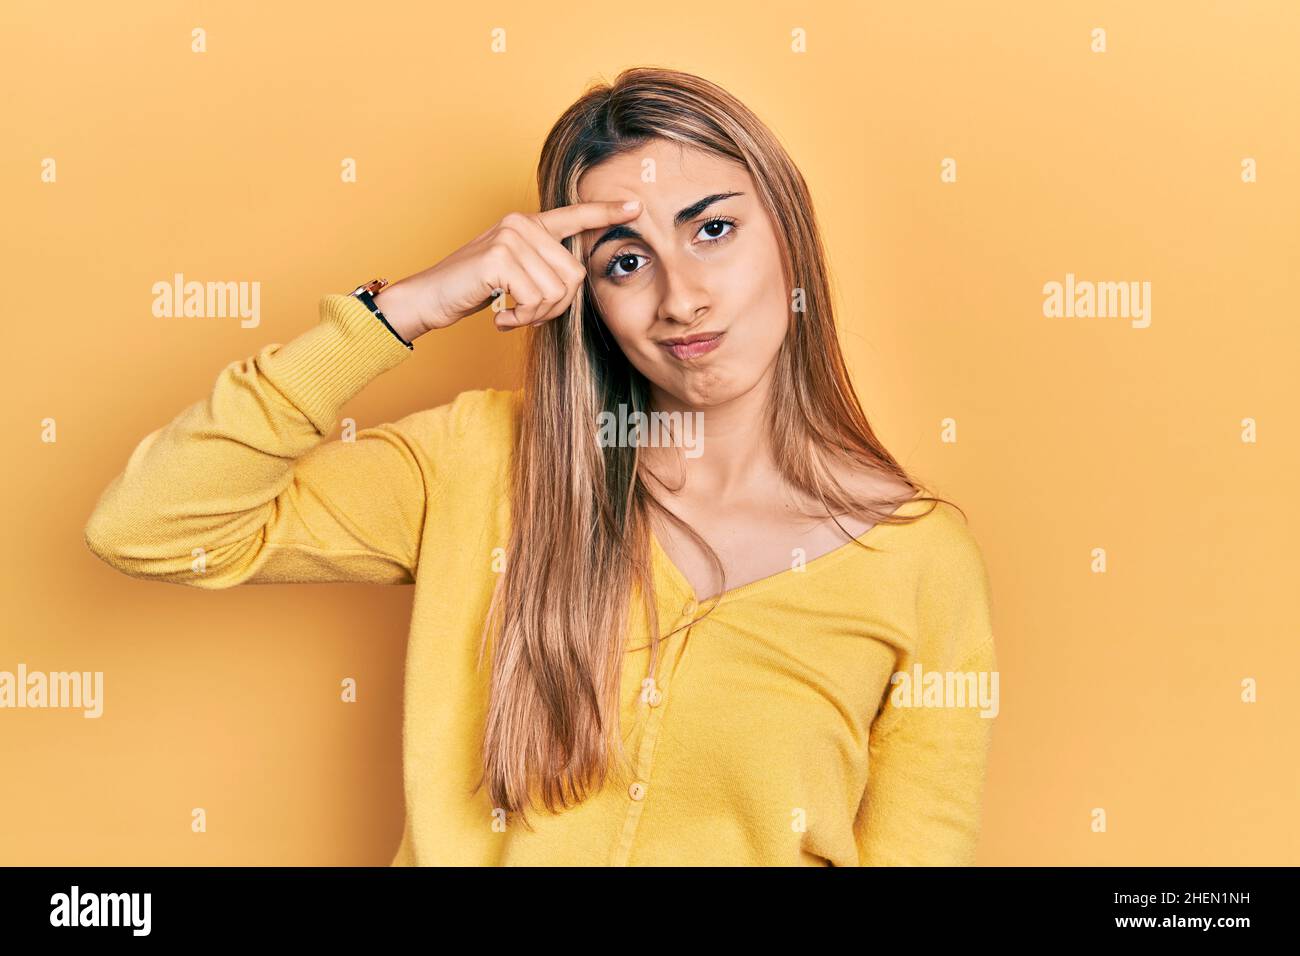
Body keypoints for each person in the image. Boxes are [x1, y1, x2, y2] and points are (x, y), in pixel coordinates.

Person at [84, 66, 999, 866]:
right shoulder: (478, 460)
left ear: (790, 236)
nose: (680, 299)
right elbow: (153, 526)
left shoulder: (918, 559)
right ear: (583, 295)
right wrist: (402, 310)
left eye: (712, 230)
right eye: (625, 261)